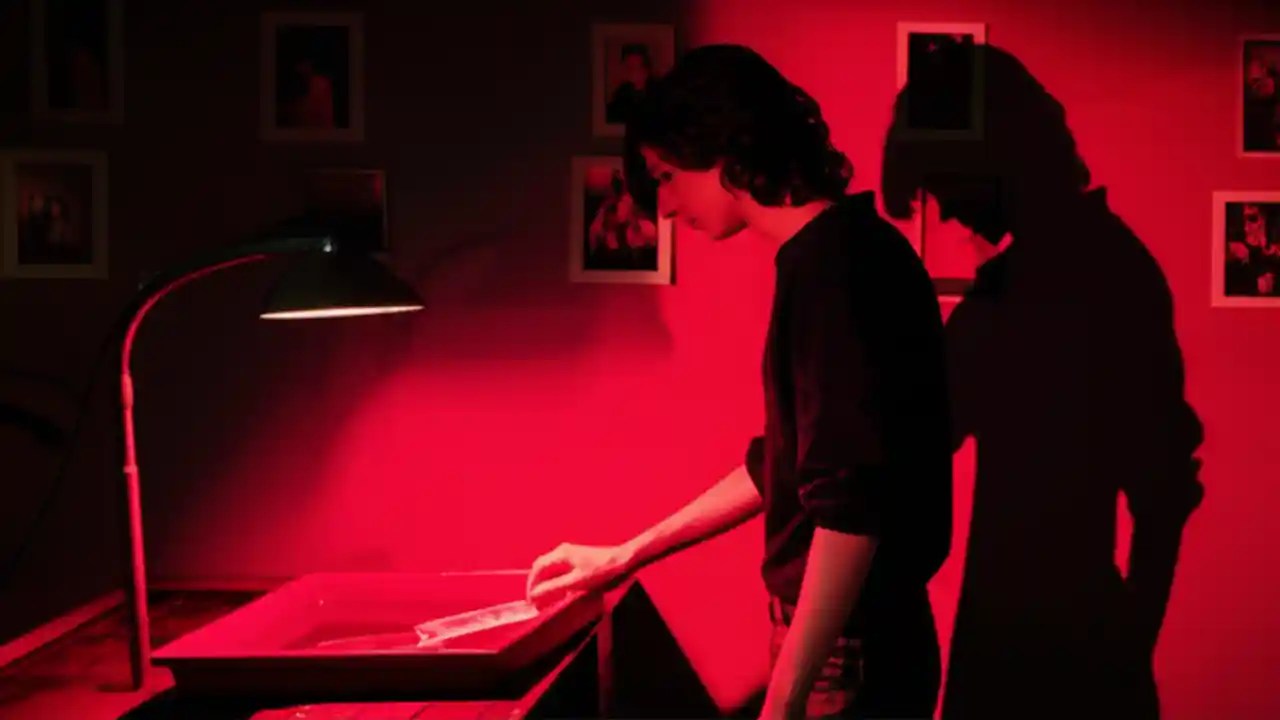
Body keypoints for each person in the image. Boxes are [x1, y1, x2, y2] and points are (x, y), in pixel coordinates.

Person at [527, 44, 952, 719]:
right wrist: (625, 555)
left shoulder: (832, 270)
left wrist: (784, 696)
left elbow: (851, 508)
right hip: (853, 638)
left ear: (722, 147)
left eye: (665, 175)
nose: (663, 207)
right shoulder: (840, 254)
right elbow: (781, 466)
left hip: (850, 645)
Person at [881, 44, 1204, 720]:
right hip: (1062, 633)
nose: (943, 214)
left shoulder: (1048, 286)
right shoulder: (1089, 269)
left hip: (1047, 644)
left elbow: (1162, 487)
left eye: (943, 187)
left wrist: (1126, 649)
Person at [606, 44, 655, 125]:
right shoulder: (621, 93)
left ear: (645, 69)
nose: (627, 71)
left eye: (633, 67)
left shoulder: (658, 93)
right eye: (626, 66)